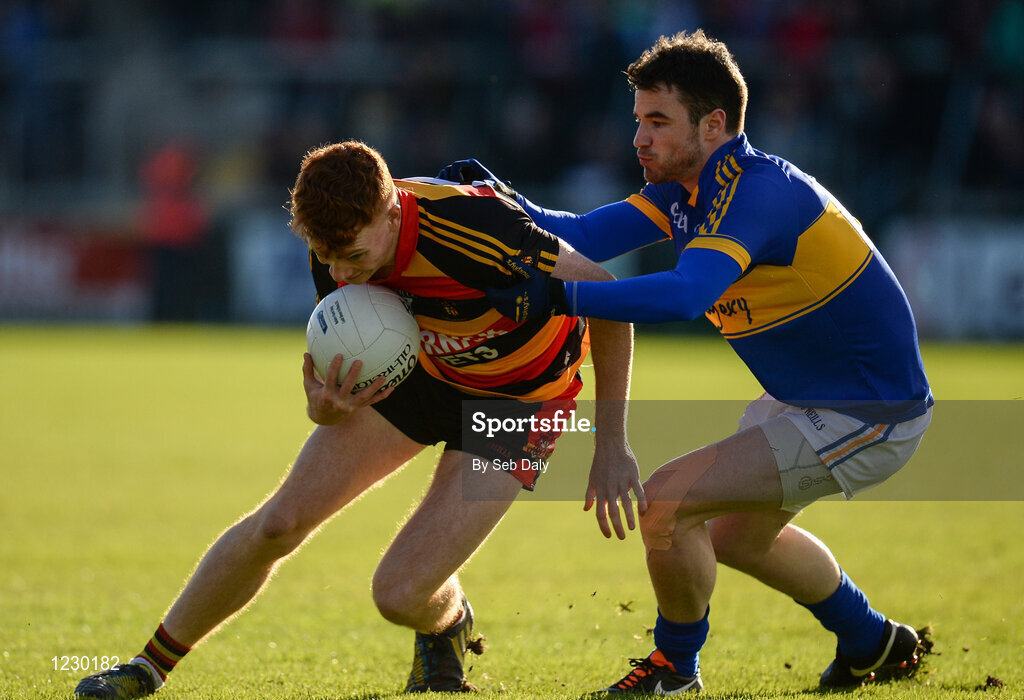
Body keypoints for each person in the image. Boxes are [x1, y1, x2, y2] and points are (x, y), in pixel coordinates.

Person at [440, 29, 934, 694]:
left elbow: (685, 294)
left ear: (716, 124)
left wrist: (555, 296)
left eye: (658, 122)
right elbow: (582, 234)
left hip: (867, 409)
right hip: (810, 396)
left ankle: (675, 670)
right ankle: (874, 642)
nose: (640, 139)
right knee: (735, 538)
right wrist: (499, 202)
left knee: (668, 502)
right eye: (638, 121)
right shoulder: (686, 191)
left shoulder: (757, 194)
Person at [74, 141, 639, 698]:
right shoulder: (332, 245)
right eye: (327, 257)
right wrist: (322, 407)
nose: (341, 270)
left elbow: (610, 301)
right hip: (418, 373)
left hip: (521, 400)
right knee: (279, 524)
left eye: (352, 255)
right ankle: (146, 668)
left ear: (392, 211)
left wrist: (610, 442)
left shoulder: (475, 225)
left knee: (399, 595)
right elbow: (340, 353)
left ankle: (448, 622)